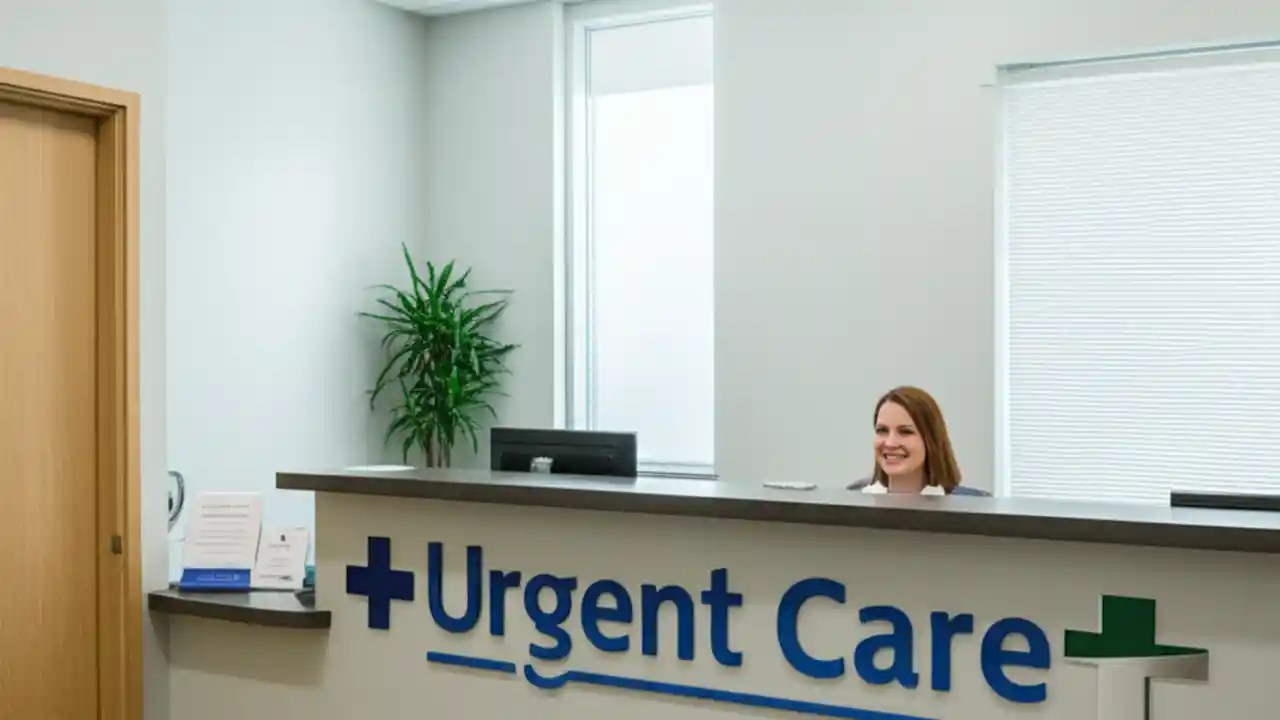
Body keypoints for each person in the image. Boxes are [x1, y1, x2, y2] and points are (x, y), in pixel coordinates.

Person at [848, 386, 987, 497]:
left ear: (930, 440)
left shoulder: (973, 505)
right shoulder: (852, 499)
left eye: (905, 432)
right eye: (882, 430)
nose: (890, 443)